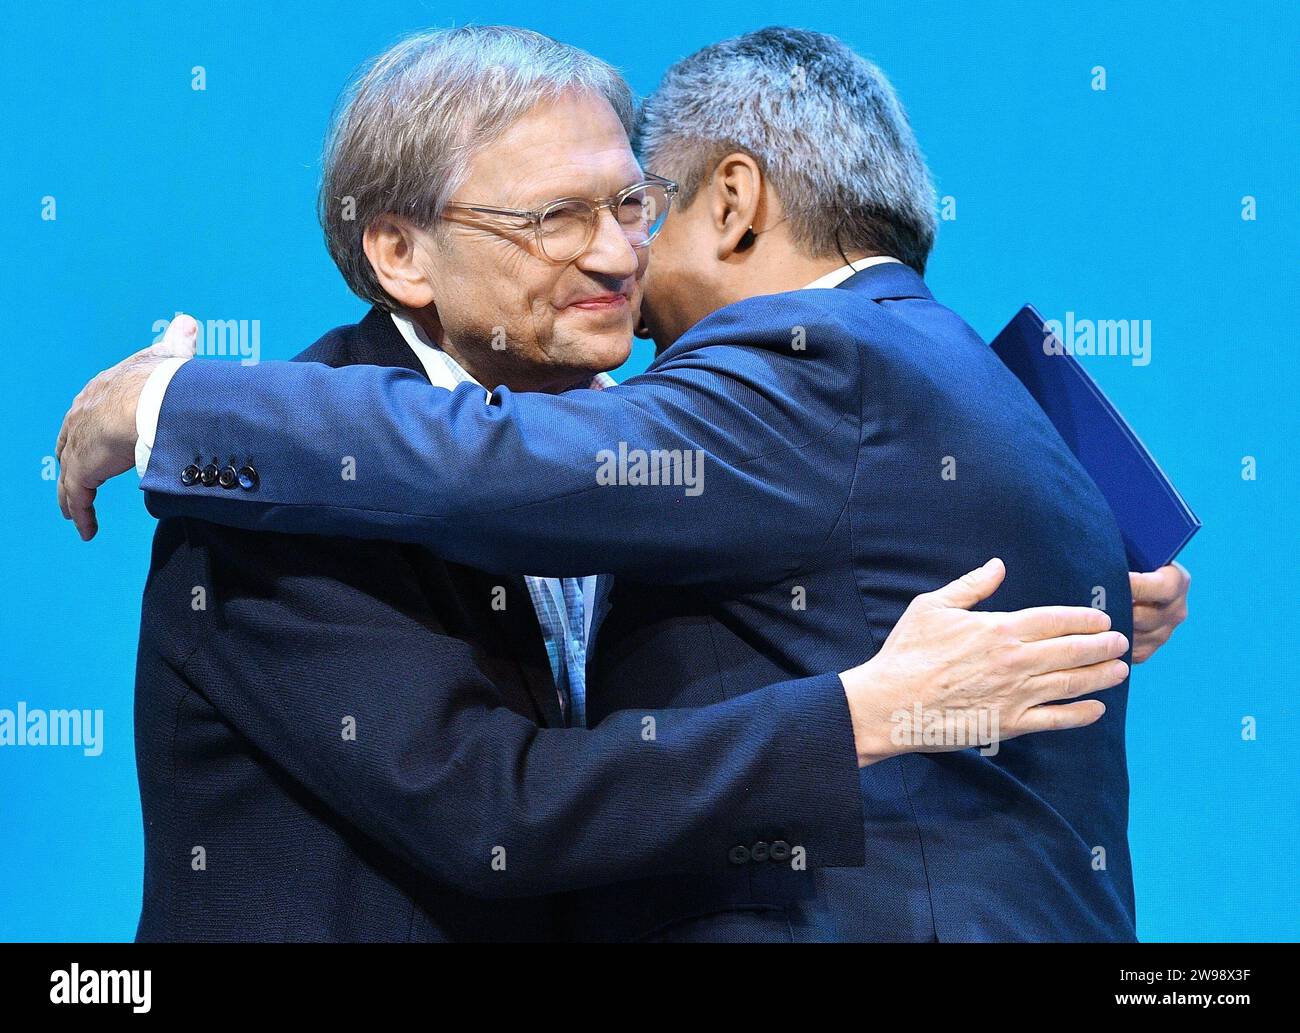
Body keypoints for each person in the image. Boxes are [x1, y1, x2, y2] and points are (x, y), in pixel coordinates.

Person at [57, 27, 1188, 941]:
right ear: (400, 252)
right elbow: (490, 808)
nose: (615, 255)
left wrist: (1065, 557)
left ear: (730, 203)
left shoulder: (765, 387)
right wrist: (860, 715)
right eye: (556, 217)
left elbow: (500, 462)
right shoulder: (286, 492)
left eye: (632, 205)